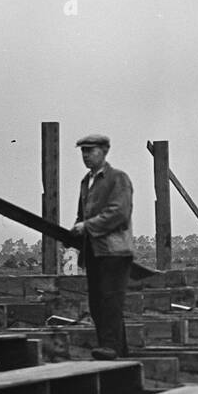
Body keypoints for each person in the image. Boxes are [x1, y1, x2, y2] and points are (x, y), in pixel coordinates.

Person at [71, 134, 134, 359]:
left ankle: (110, 348)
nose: (86, 155)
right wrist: (75, 231)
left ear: (104, 151)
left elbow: (119, 212)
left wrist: (87, 226)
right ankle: (118, 350)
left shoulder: (118, 179)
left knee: (110, 301)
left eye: (90, 150)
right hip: (94, 251)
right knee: (98, 302)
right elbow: (82, 215)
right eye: (83, 151)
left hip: (115, 251)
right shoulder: (85, 182)